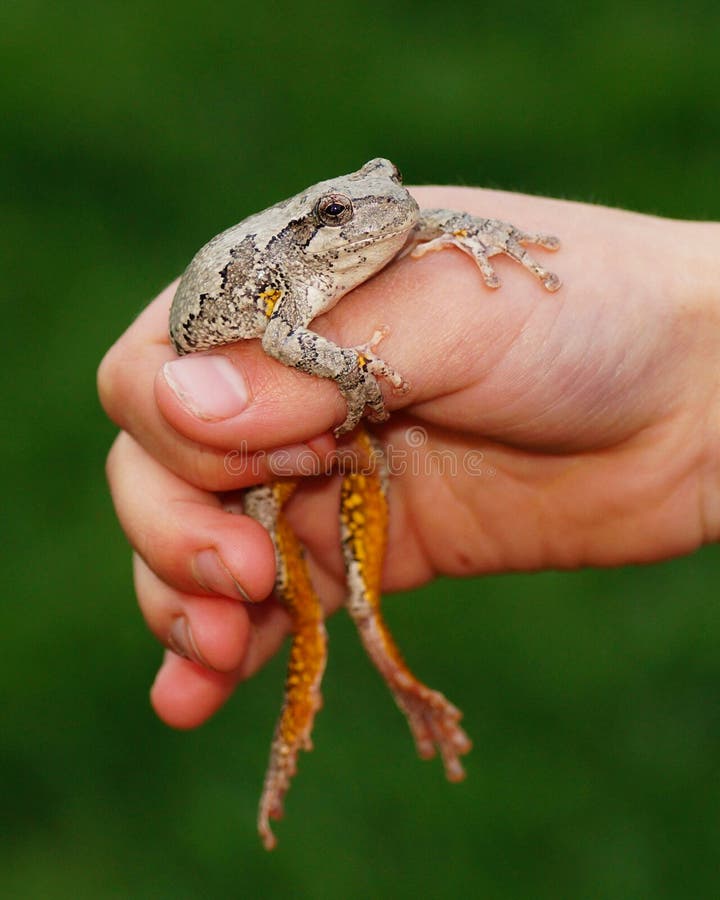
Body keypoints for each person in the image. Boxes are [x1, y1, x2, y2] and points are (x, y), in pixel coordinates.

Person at [97, 184, 720, 730]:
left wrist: (479, 229)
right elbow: (285, 339)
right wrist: (349, 366)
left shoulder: (373, 229)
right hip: (230, 369)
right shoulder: (294, 272)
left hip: (303, 439)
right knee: (264, 555)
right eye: (340, 211)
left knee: (273, 553)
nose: (385, 206)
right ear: (315, 225)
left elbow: (416, 217)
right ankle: (309, 703)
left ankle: (347, 672)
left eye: (388, 183)